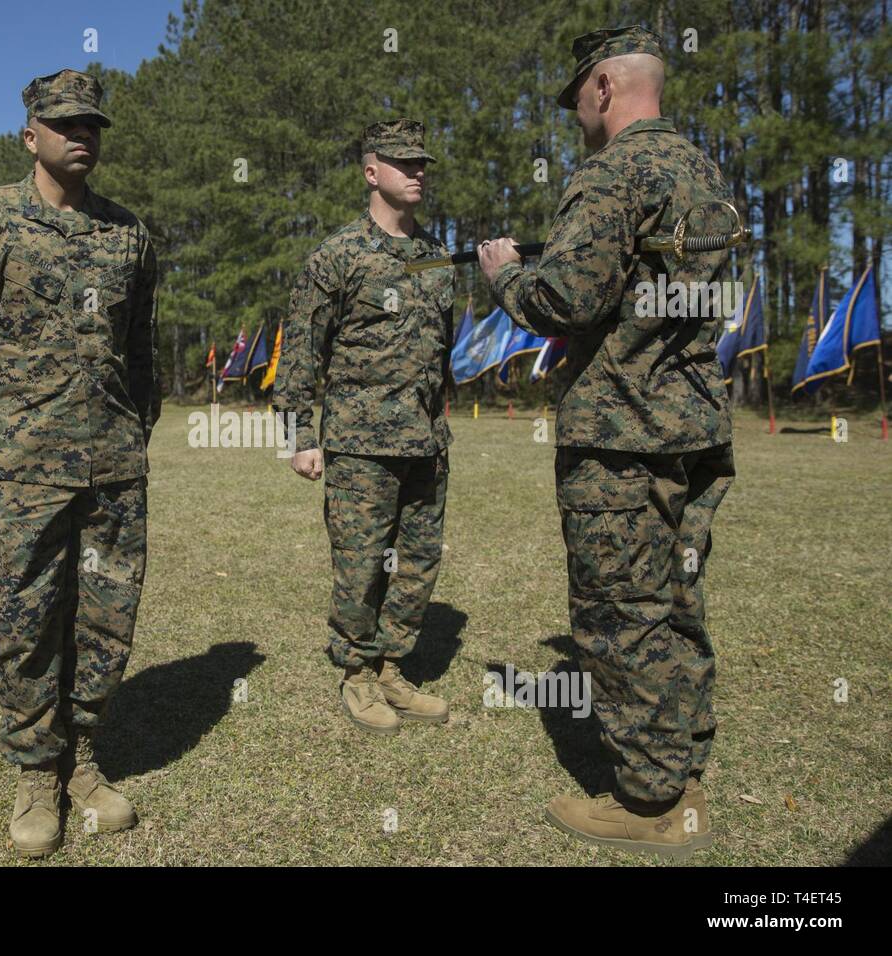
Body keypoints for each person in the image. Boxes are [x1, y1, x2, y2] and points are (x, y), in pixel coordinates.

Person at [478, 25, 735, 860]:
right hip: (693, 426)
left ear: (601, 89)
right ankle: (684, 754)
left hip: (620, 435)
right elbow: (675, 293)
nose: (577, 120)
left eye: (576, 103)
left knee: (619, 615)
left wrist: (504, 276)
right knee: (676, 599)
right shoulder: (703, 173)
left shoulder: (612, 172)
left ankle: (652, 799)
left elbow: (567, 301)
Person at [0, 68, 159, 858]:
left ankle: (84, 759)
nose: (81, 135)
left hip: (114, 468)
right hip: (22, 465)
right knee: (26, 625)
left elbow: (143, 350)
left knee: (105, 623)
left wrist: (136, 430)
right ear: (32, 136)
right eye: (65, 125)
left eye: (92, 125)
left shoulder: (128, 233)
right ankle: (34, 771)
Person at [274, 119, 453, 737]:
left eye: (422, 162)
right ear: (372, 172)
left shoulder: (437, 256)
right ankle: (355, 671)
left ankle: (391, 666)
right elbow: (300, 349)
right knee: (360, 563)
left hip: (425, 442)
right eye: (404, 163)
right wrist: (299, 437)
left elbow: (441, 351)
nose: (418, 172)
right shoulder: (338, 255)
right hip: (359, 445)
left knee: (420, 561)